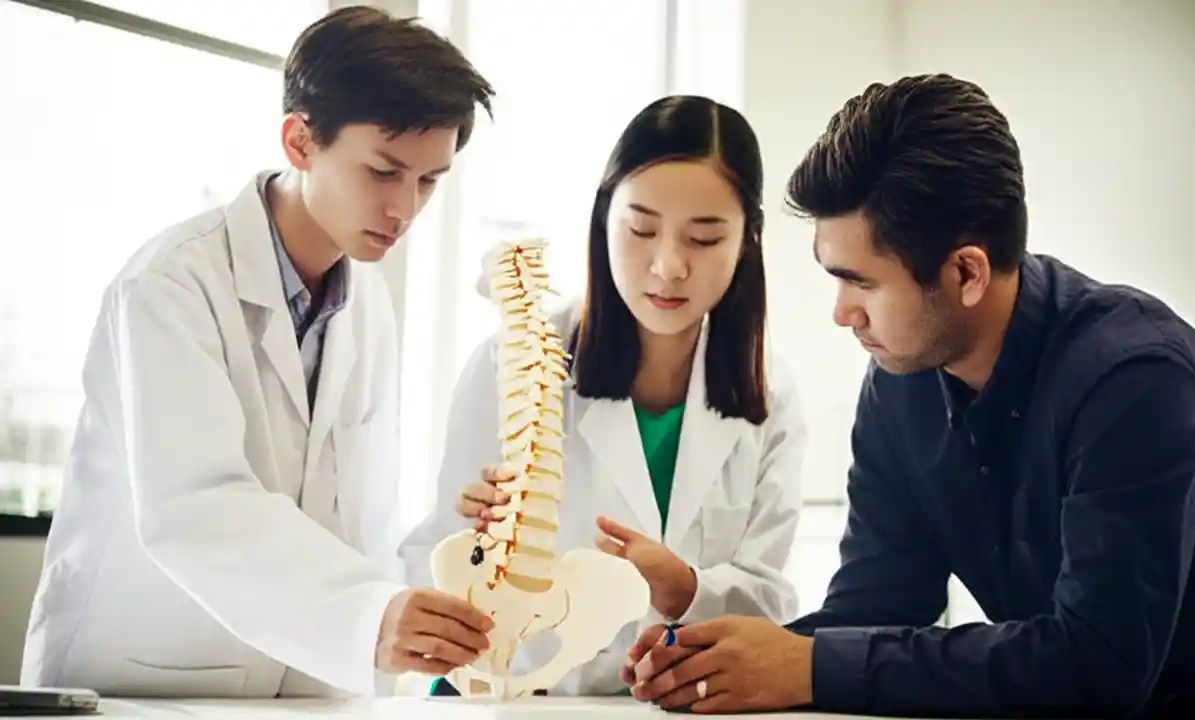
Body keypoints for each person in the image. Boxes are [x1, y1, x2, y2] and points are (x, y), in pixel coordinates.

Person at [625, 73, 1195, 717]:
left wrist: (806, 665)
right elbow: (875, 610)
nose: (841, 313)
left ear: (966, 271)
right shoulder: (899, 385)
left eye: (863, 284)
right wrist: (717, 657)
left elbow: (1098, 665)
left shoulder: (1135, 380)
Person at [23, 7, 499, 698]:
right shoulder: (172, 283)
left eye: (429, 181)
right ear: (300, 141)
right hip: (143, 680)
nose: (406, 208)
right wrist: (368, 617)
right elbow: (195, 506)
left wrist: (455, 546)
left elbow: (360, 521)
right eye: (383, 171)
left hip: (303, 691)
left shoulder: (368, 305)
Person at [399, 95, 807, 696]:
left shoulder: (769, 389)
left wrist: (683, 587)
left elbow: (768, 601)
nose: (668, 267)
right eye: (641, 229)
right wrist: (473, 552)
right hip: (520, 704)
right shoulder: (514, 359)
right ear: (603, 220)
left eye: (704, 239)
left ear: (747, 241)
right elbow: (429, 562)